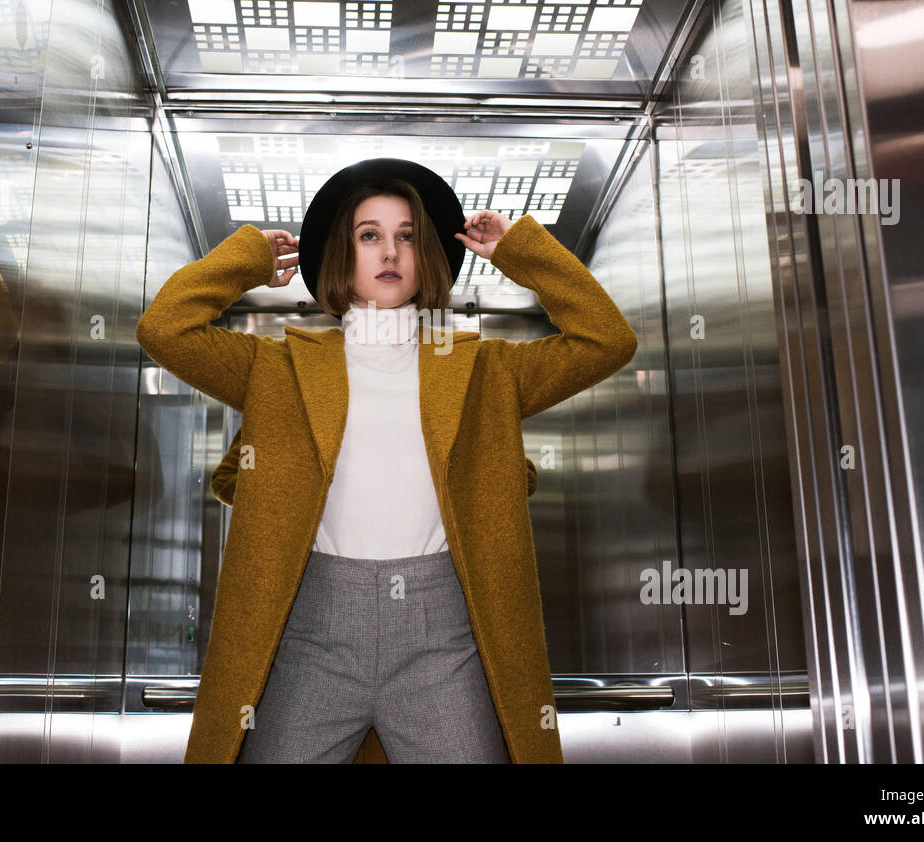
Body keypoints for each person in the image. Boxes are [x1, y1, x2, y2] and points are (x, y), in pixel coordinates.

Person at [135, 157, 638, 763]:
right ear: (342, 258)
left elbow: (607, 339)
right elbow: (164, 329)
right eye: (369, 235)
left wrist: (522, 253)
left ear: (426, 256)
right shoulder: (274, 368)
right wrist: (243, 261)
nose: (390, 252)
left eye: (406, 236)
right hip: (309, 633)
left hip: (444, 638)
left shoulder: (487, 370)